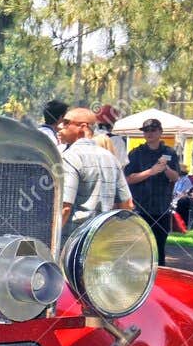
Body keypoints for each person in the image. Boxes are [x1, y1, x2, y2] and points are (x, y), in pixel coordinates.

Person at [58, 107, 131, 227]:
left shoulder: (70, 157)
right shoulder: (111, 158)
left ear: (83, 127)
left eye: (66, 122)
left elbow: (65, 208)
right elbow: (127, 204)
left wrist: (50, 239)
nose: (61, 126)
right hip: (102, 237)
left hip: (74, 238)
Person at [124, 117, 183, 264]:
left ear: (160, 132)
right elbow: (128, 179)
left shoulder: (169, 152)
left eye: (153, 130)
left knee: (159, 248)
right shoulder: (135, 153)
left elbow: (175, 177)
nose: (149, 133)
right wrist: (151, 171)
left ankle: (160, 280)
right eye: (146, 131)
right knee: (139, 248)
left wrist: (165, 168)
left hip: (161, 208)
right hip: (140, 208)